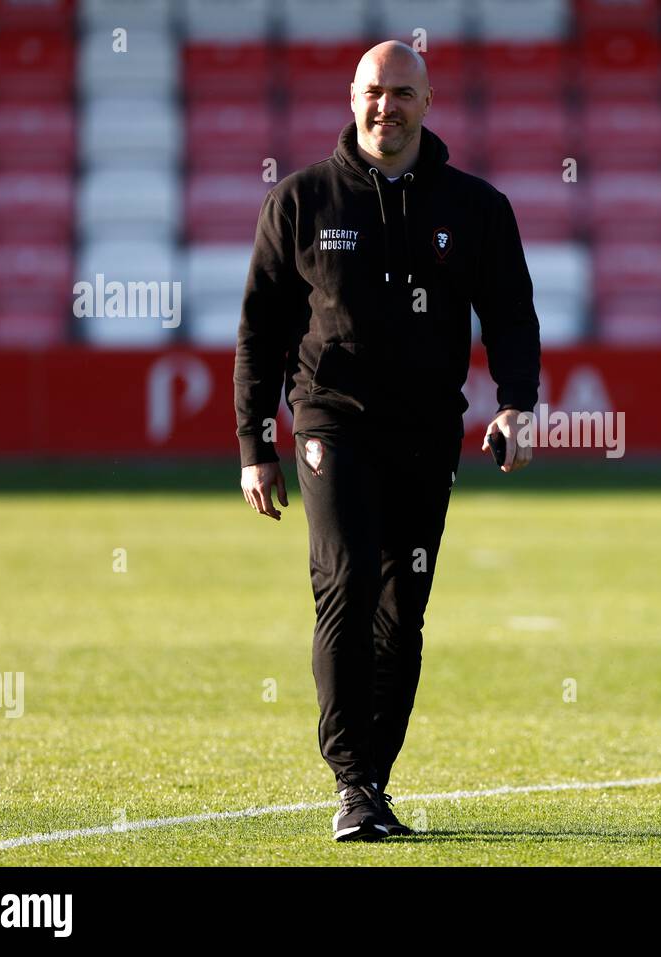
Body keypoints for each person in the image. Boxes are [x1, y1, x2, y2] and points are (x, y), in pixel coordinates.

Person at [233, 40, 540, 841]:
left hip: (428, 431)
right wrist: (253, 444)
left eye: (403, 92)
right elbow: (259, 332)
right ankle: (351, 781)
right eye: (374, 91)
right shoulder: (300, 201)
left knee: (404, 611)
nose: (386, 106)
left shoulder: (476, 207)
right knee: (346, 584)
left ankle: (374, 776)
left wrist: (516, 404)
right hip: (330, 422)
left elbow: (510, 313)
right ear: (351, 96)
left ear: (428, 102)